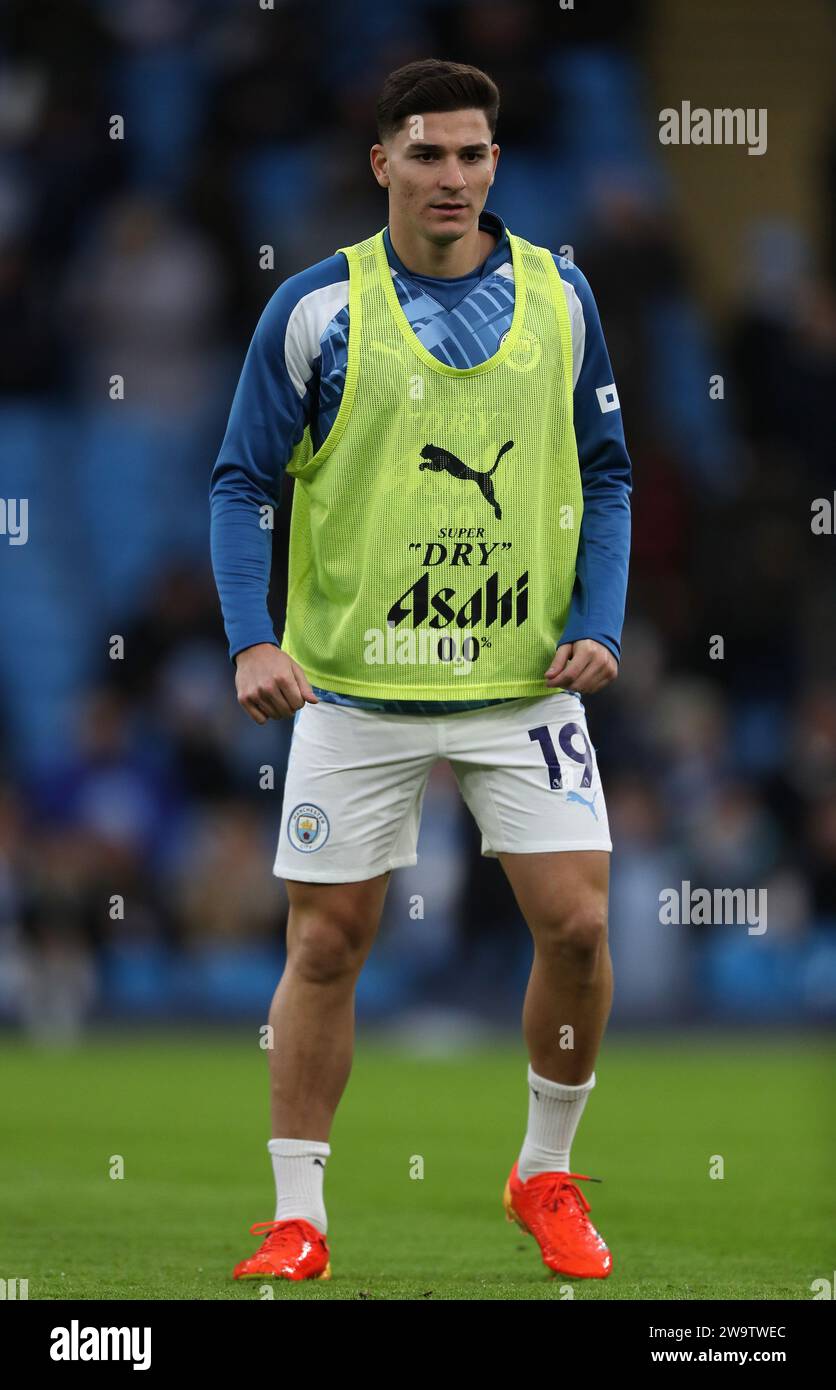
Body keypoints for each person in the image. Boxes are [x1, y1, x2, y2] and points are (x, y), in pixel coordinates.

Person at [210, 58, 631, 1283]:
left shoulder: (563, 297)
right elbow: (243, 481)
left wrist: (599, 618)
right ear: (380, 161)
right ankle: (300, 1219)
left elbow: (602, 469)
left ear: (496, 163)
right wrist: (252, 635)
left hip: (520, 681)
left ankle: (542, 1171)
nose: (452, 175)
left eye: (473, 154)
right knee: (328, 948)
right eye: (427, 152)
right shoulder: (315, 308)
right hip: (351, 685)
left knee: (582, 924)